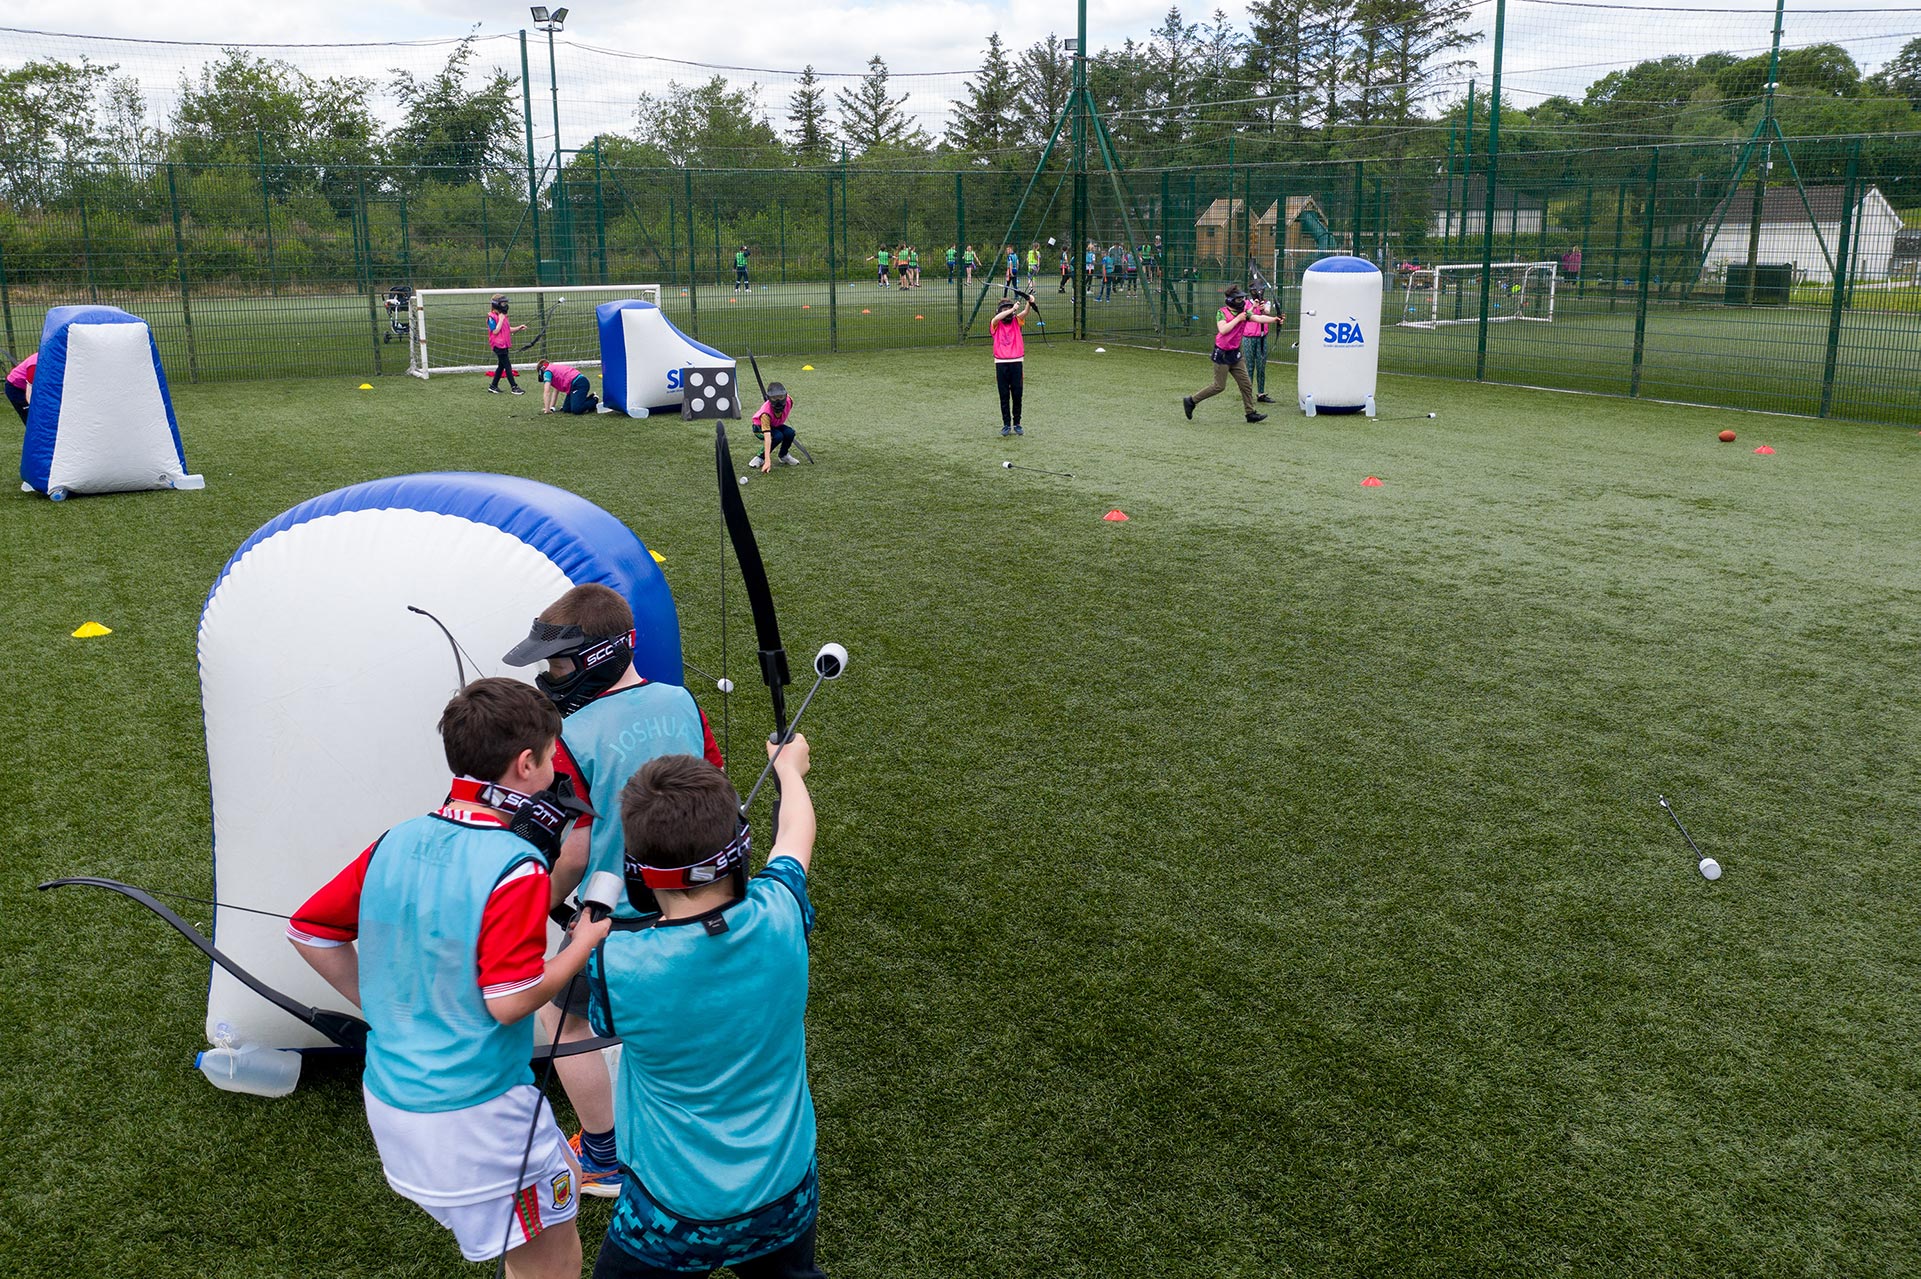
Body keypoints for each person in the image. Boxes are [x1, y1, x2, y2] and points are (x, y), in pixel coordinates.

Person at [288, 677, 611, 1279]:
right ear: (524, 763)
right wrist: (580, 945)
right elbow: (510, 1002)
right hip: (479, 1123)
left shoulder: (397, 837)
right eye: (549, 762)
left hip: (393, 1107)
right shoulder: (517, 867)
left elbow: (309, 931)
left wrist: (384, 1010)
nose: (553, 778)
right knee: (553, 1264)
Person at [585, 740, 823, 1279]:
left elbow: (599, 1020)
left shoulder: (614, 963)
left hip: (672, 1215)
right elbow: (795, 835)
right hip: (785, 1189)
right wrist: (788, 769)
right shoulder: (781, 911)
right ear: (739, 854)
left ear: (638, 874)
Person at [1183, 285, 1281, 424]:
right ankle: (1191, 401)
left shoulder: (1245, 314)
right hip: (1222, 353)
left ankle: (1250, 413)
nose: (1241, 301)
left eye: (1242, 298)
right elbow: (1223, 330)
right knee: (1219, 386)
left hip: (1235, 353)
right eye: (1238, 299)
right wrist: (1239, 319)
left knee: (1246, 384)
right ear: (1229, 300)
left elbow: (1258, 319)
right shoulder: (1222, 312)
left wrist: (1275, 319)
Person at [990, 295, 1028, 438]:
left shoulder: (1016, 321)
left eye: (1009, 309)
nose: (1008, 312)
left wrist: (1030, 302)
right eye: (1004, 309)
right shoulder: (995, 324)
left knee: (1017, 394)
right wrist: (1012, 309)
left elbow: (1025, 312)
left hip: (1017, 362)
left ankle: (1017, 423)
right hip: (1001, 363)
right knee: (1004, 395)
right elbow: (997, 318)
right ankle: (1006, 424)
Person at [1240, 285, 1285, 405]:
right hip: (1248, 338)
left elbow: (1267, 312)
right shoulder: (1245, 303)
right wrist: (1254, 306)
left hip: (1261, 338)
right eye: (1255, 290)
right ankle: (1247, 395)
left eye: (1259, 290)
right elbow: (1245, 315)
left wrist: (1263, 308)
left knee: (1261, 366)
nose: (1257, 292)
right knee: (1249, 367)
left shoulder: (1266, 303)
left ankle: (1261, 393)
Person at [748, 382, 801, 472]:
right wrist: (767, 460)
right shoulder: (765, 414)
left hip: (775, 424)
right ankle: (760, 457)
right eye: (774, 398)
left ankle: (783, 455)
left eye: (781, 397)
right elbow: (768, 437)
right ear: (769, 398)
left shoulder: (789, 401)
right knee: (777, 436)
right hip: (759, 427)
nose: (778, 401)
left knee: (790, 432)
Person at [487, 296, 528, 395]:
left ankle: (493, 386)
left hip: (504, 344)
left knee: (501, 366)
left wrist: (518, 328)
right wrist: (500, 319)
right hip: (498, 345)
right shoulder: (491, 317)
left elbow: (507, 329)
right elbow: (495, 331)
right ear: (496, 304)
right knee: (507, 366)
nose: (505, 306)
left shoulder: (503, 316)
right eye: (503, 304)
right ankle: (514, 387)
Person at [5, 350, 35, 425]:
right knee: (31, 418)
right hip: (16, 388)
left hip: (28, 387)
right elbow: (29, 393)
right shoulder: (34, 365)